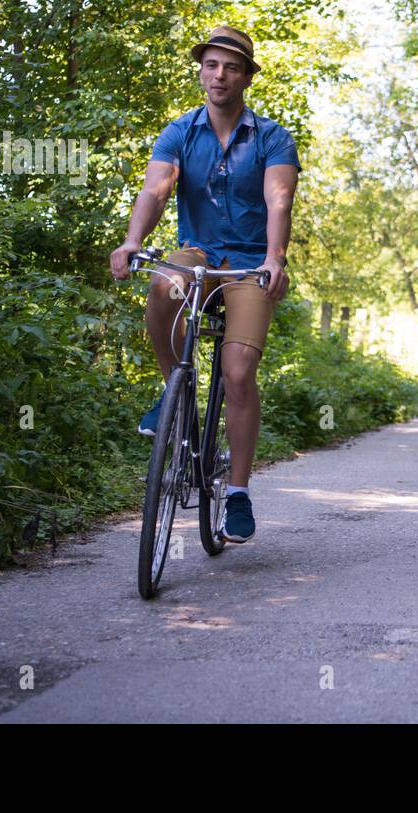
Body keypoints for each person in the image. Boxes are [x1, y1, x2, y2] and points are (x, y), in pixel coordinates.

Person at [108, 26, 299, 543]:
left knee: (237, 373)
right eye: (212, 65)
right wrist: (131, 241)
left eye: (232, 67)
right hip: (198, 255)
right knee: (164, 282)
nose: (220, 75)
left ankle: (236, 492)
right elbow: (156, 188)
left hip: (248, 266)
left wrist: (274, 259)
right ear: (201, 71)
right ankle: (174, 387)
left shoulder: (271, 137)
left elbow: (279, 201)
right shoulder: (180, 132)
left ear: (246, 77)